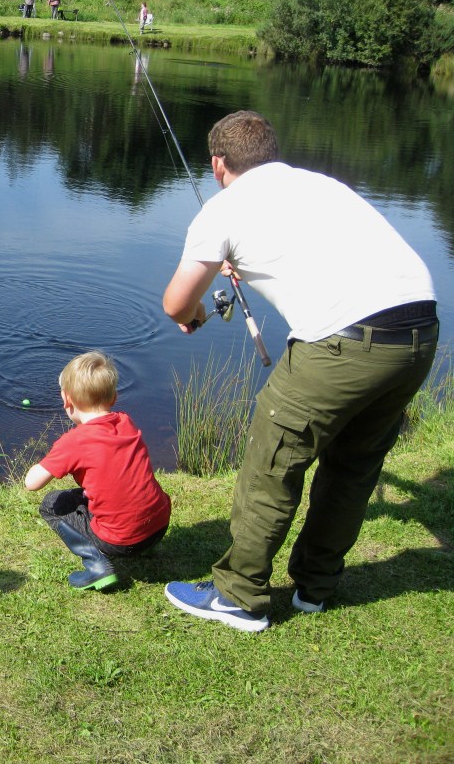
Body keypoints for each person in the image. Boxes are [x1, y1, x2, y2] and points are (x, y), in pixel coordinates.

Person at [161, 110, 438, 632]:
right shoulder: (320, 184)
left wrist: (196, 314)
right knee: (352, 469)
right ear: (269, 154)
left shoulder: (221, 210)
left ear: (218, 163)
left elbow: (176, 304)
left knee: (272, 461)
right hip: (420, 330)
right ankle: (315, 588)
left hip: (344, 342)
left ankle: (238, 596)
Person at [25, 351, 172, 591]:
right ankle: (145, 547)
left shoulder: (74, 442)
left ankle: (97, 566)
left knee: (52, 503)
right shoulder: (125, 421)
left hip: (120, 541)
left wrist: (44, 462)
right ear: (114, 397)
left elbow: (31, 483)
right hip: (159, 526)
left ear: (66, 400)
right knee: (99, 492)